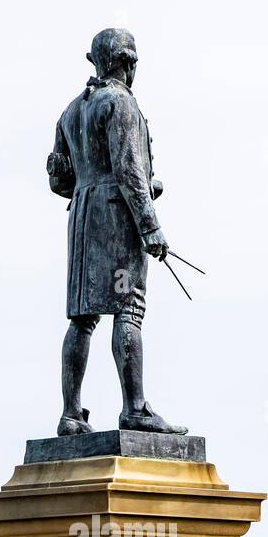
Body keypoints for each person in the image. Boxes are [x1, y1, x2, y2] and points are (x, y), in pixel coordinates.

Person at [47, 27, 187, 437]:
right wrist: (151, 226)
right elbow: (129, 169)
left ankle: (70, 415)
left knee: (82, 318)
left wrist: (95, 184)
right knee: (129, 307)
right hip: (117, 220)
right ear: (126, 62)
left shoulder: (71, 111)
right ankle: (135, 408)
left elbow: (60, 182)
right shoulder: (121, 103)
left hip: (83, 221)